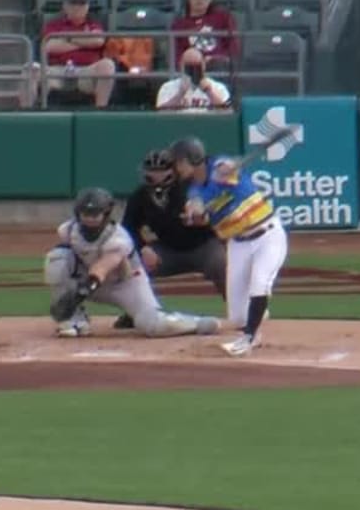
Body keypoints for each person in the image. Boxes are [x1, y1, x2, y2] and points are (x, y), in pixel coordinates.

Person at [43, 187, 221, 339]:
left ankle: (196, 323)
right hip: (91, 282)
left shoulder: (118, 238)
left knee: (153, 325)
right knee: (57, 259)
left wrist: (77, 294)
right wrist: (66, 291)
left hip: (125, 285)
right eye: (86, 213)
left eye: (95, 214)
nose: (90, 218)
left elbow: (102, 268)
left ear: (106, 214)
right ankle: (75, 320)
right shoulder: (68, 230)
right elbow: (69, 257)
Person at [169, 135, 287, 357]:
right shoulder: (195, 189)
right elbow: (197, 209)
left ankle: (249, 338)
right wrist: (195, 213)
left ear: (193, 159)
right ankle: (255, 320)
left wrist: (227, 169)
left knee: (260, 284)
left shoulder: (219, 167)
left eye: (179, 161)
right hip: (238, 244)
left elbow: (227, 166)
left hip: (267, 236)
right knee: (236, 317)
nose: (176, 167)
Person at [113, 148, 225, 329]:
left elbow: (213, 211)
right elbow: (128, 228)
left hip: (202, 245)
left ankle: (240, 310)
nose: (155, 175)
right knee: (134, 264)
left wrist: (202, 219)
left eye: (161, 170)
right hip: (167, 249)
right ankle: (136, 312)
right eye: (151, 170)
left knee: (221, 263)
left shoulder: (190, 187)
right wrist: (142, 247)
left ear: (172, 170)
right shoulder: (140, 195)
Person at [155, 48, 231, 112]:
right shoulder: (168, 87)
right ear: (181, 66)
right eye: (189, 67)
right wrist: (180, 94)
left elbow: (228, 112)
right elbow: (161, 114)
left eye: (197, 66)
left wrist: (209, 92)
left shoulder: (218, 87)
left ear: (203, 65)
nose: (193, 71)